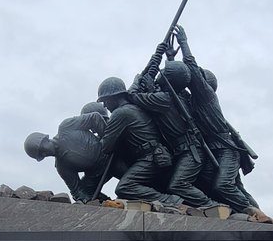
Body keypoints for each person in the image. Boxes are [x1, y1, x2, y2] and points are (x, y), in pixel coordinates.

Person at [174, 25, 260, 213]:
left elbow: (191, 68)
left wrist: (184, 44)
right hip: (214, 150)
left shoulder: (205, 94)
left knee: (223, 185)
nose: (191, 78)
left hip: (226, 148)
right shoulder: (194, 100)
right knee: (236, 187)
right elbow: (176, 86)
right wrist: (171, 59)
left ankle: (254, 213)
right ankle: (258, 213)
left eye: (197, 78)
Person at [130, 44, 219, 209]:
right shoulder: (182, 96)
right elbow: (169, 77)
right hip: (187, 150)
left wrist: (137, 79)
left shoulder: (163, 99)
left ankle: (213, 207)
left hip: (190, 152)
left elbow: (133, 96)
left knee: (178, 185)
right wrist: (166, 57)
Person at [96, 77, 183, 205]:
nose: (104, 105)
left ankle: (170, 201)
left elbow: (105, 147)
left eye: (105, 100)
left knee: (124, 187)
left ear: (113, 97)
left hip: (151, 158)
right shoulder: (134, 108)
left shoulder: (121, 113)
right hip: (154, 156)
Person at [23, 105, 111, 202]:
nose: (44, 154)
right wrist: (84, 199)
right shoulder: (61, 166)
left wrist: (109, 141)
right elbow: (77, 190)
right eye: (41, 155)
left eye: (42, 150)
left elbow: (94, 118)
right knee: (87, 192)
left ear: (45, 139)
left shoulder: (66, 127)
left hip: (110, 154)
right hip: (98, 173)